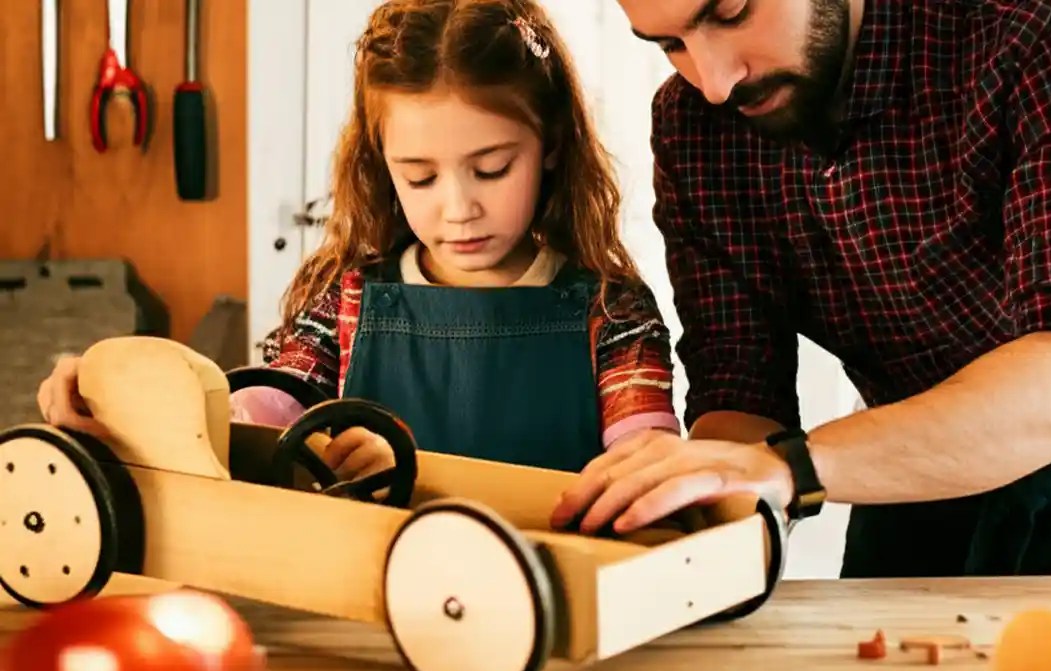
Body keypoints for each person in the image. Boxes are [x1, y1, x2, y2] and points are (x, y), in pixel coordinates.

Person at [552, 0, 1051, 577]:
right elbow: (738, 398)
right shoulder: (694, 127)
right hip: (912, 465)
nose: (713, 79)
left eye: (732, 13)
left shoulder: (1047, 24)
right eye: (668, 44)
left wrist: (788, 468)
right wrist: (706, 514)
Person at [37, 0, 680, 481]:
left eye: (491, 169)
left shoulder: (612, 311)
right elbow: (252, 417)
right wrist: (122, 399)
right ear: (381, 163)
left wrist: (418, 473)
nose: (458, 208)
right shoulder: (345, 300)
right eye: (419, 176)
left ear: (552, 147)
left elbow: (644, 473)